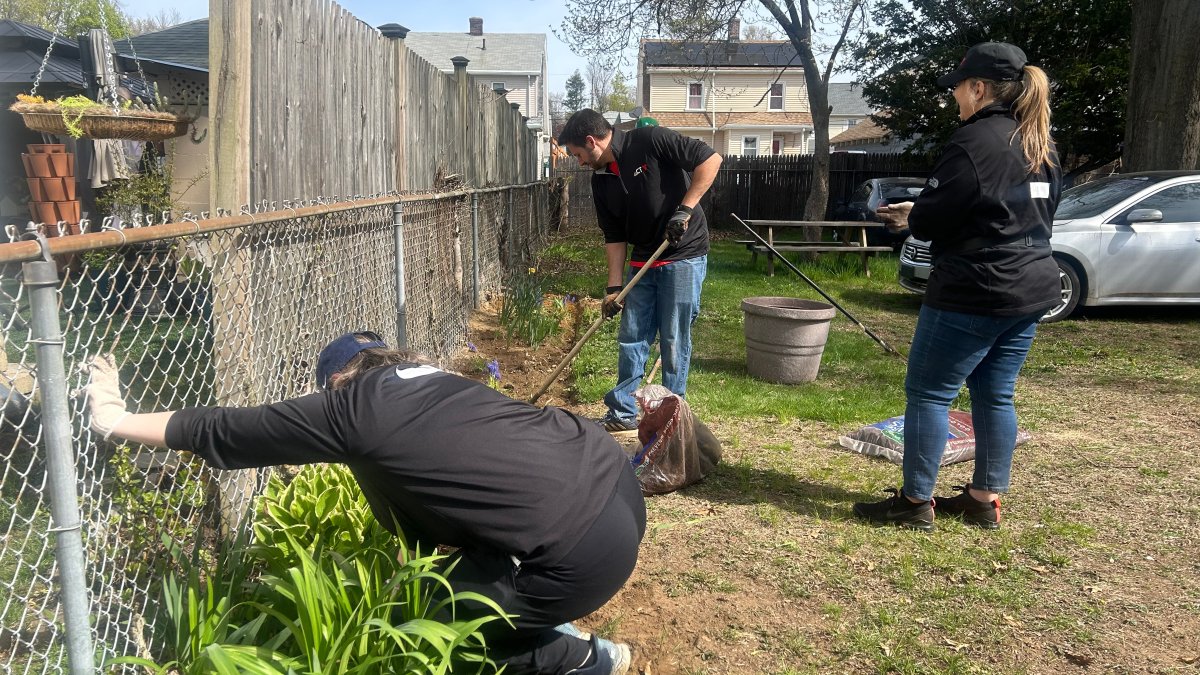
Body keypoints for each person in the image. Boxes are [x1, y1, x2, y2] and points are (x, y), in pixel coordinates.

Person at [85, 331, 646, 675]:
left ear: (337, 381)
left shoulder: (353, 408)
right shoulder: (442, 383)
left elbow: (228, 429)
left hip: (581, 555)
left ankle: (582, 660)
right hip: (617, 483)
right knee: (467, 567)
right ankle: (549, 619)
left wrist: (116, 419)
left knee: (428, 617)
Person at [852, 42, 1063, 532]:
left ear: (979, 88)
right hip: (1031, 285)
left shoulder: (973, 142)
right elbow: (1024, 211)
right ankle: (983, 499)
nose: (955, 97)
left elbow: (935, 218)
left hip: (976, 287)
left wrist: (912, 216)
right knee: (996, 394)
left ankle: (913, 502)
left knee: (929, 393)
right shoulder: (1040, 143)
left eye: (958, 88)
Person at [558, 109, 723, 432]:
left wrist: (685, 210)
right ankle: (622, 413)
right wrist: (613, 289)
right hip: (644, 258)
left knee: (673, 337)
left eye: (578, 154)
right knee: (632, 336)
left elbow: (710, 159)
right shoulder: (601, 179)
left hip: (683, 254)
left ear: (591, 141)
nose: (579, 162)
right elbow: (614, 236)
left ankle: (671, 415)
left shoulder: (649, 140)